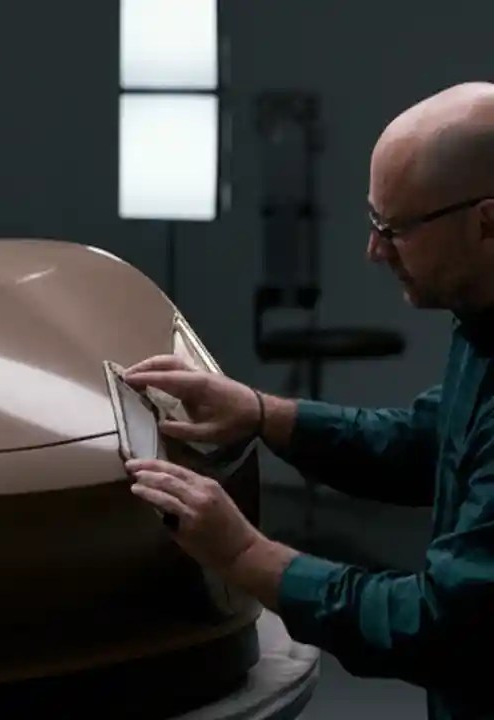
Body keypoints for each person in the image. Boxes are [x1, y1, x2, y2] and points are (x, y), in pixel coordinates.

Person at [121, 81, 494, 720]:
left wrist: (246, 555)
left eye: (394, 228)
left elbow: (445, 627)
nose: (373, 250)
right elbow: (429, 442)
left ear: (487, 221)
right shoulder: (482, 319)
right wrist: (262, 414)